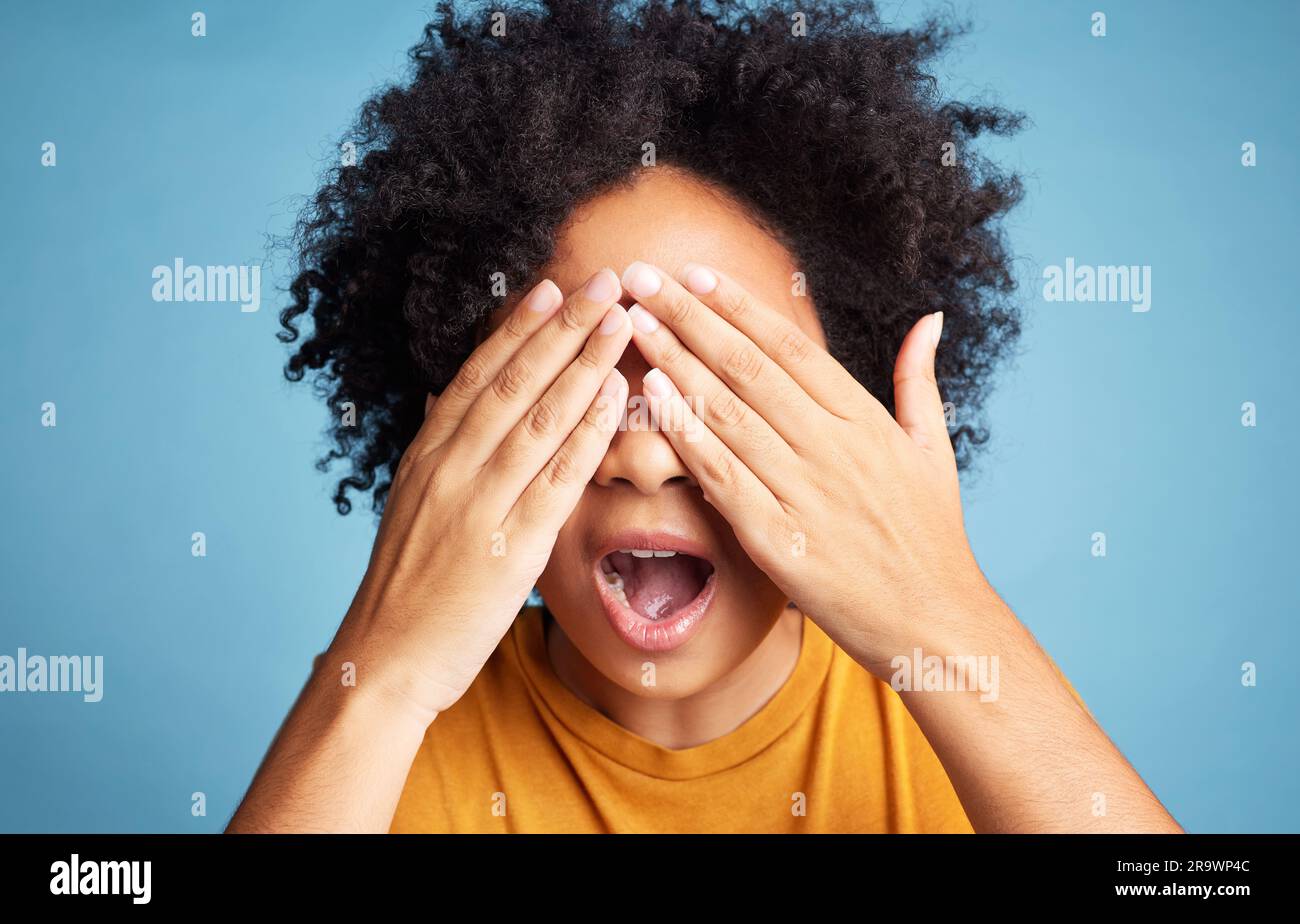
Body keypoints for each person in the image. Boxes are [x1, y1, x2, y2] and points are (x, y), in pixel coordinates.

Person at [227, 0, 1181, 833]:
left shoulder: (963, 738)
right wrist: (378, 678)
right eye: (575, 373)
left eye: (731, 379)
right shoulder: (384, 754)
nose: (647, 457)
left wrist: (948, 623)